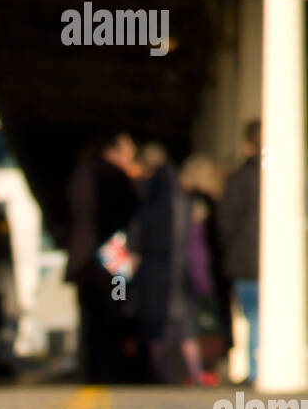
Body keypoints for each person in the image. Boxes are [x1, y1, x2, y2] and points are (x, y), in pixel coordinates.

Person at [127, 145, 210, 385]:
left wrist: (120, 288)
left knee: (156, 329)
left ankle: (160, 376)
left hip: (153, 275)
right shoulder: (189, 206)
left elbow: (133, 245)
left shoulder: (146, 207)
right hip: (182, 273)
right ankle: (195, 373)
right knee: (187, 328)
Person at [65, 132, 140, 383]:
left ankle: (88, 372)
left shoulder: (80, 174)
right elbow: (131, 214)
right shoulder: (116, 176)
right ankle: (109, 372)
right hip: (111, 261)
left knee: (88, 320)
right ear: (115, 151)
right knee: (111, 318)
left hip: (81, 260)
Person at [180, 153, 232, 375]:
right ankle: (204, 369)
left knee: (192, 321)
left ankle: (194, 370)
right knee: (208, 321)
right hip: (203, 269)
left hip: (187, 268)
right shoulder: (205, 204)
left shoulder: (182, 202)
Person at [217, 119, 261, 385]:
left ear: (246, 146)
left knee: (252, 315)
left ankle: (255, 371)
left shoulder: (239, 179)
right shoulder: (286, 176)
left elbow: (226, 221)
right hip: (277, 262)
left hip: (244, 260)